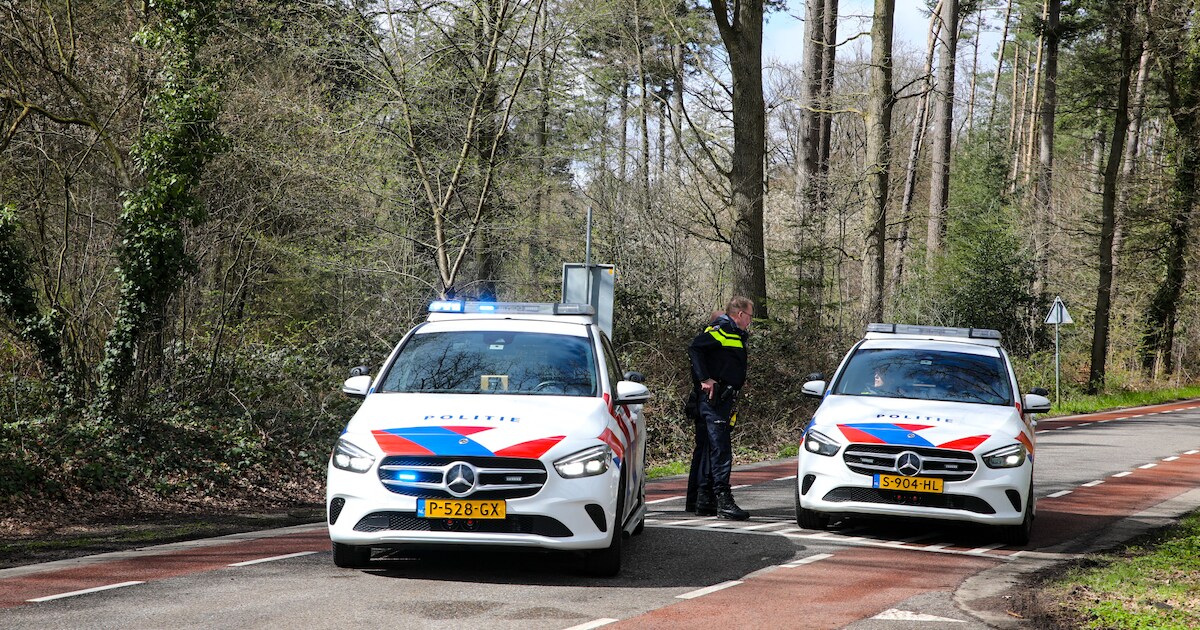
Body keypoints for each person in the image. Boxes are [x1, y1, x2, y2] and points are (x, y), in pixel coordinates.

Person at [686, 297, 753, 520]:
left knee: (708, 448)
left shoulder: (733, 333)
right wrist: (705, 378)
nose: (750, 321)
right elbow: (695, 347)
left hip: (720, 398)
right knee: (720, 450)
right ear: (740, 314)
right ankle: (723, 500)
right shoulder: (723, 329)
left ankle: (704, 499)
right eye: (750, 316)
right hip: (715, 400)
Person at [684, 312, 723, 515]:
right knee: (708, 450)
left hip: (701, 401)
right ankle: (703, 499)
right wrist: (707, 379)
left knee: (701, 451)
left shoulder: (705, 338)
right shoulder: (712, 338)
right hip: (708, 402)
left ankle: (693, 500)